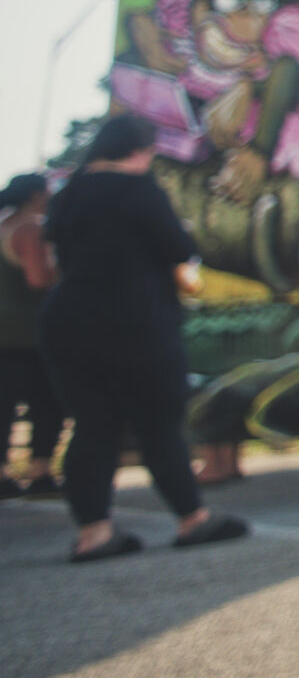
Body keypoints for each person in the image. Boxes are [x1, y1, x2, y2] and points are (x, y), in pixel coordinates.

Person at [37, 115, 249, 562]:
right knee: (158, 422)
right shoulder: (138, 190)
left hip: (69, 320)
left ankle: (93, 532)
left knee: (91, 425)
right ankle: (192, 519)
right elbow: (176, 248)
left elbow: (55, 255)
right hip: (135, 320)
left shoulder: (68, 192)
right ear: (141, 150)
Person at [0, 171, 63, 498]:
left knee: (3, 407)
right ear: (37, 195)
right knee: (46, 402)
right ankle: (40, 470)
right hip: (29, 333)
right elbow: (39, 279)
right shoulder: (30, 229)